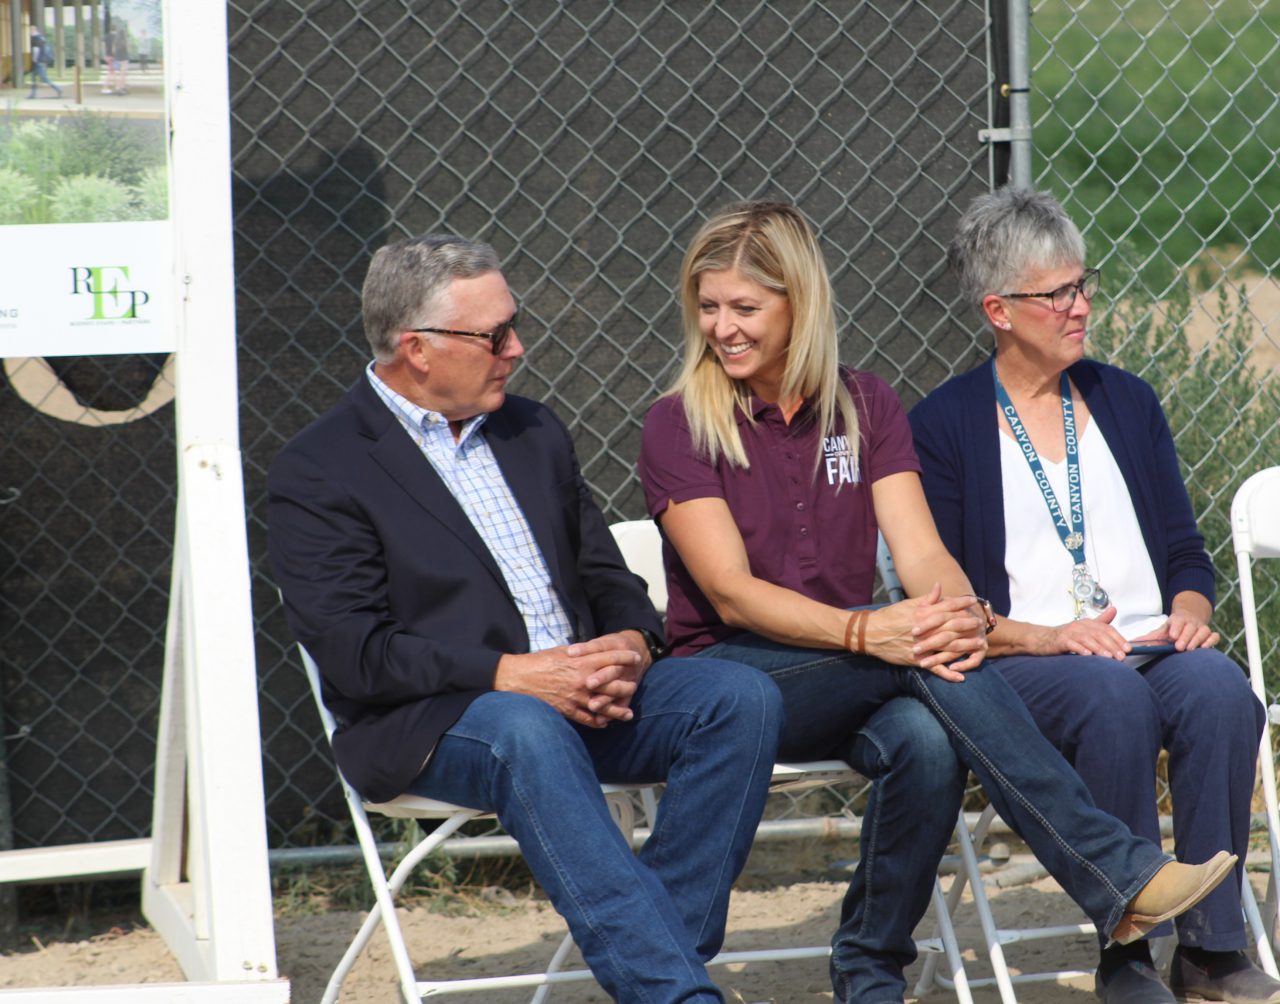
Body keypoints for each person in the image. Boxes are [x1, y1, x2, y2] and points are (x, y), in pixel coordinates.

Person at [637, 200, 1236, 1004]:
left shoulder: (866, 405)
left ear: (798, 304)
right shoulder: (679, 423)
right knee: (922, 657)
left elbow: (923, 558)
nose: (722, 328)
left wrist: (965, 620)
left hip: (855, 669)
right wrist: (873, 631)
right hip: (734, 676)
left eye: (743, 307)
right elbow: (731, 594)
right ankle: (1119, 874)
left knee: (924, 740)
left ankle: (869, 970)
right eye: (708, 307)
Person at [268, 234, 784, 1003]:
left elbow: (606, 575)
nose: (516, 348)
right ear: (417, 348)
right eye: (494, 335)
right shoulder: (321, 468)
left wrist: (631, 644)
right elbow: (355, 653)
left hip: (583, 696)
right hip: (436, 721)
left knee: (738, 698)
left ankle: (661, 960)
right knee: (525, 726)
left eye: (513, 325)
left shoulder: (531, 431)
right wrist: (511, 676)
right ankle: (676, 993)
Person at [910, 187, 1276, 1004]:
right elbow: (946, 602)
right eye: (1057, 294)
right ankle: (1126, 953)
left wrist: (1191, 613)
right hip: (1024, 658)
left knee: (1220, 691)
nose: (1080, 307)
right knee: (1112, 699)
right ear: (999, 310)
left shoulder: (1126, 400)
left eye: (1083, 285)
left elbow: (1185, 553)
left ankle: (1211, 949)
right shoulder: (943, 426)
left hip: (1147, 643)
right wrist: (1050, 636)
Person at [27, 30, 61, 100]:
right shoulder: (41, 41)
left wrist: (34, 60)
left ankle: (58, 88)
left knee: (44, 78)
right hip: (39, 62)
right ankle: (33, 94)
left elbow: (36, 53)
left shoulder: (37, 41)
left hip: (39, 63)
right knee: (34, 78)